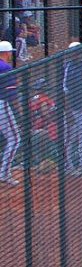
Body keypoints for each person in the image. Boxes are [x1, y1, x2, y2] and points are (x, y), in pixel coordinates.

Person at [62, 41, 82, 175]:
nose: (78, 54)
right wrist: (68, 112)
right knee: (70, 139)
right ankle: (68, 167)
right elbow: (65, 91)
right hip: (72, 109)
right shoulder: (68, 67)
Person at [0, 41, 19, 185]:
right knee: (15, 138)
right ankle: (4, 173)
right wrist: (19, 110)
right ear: (6, 53)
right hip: (2, 103)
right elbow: (11, 93)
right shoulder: (5, 67)